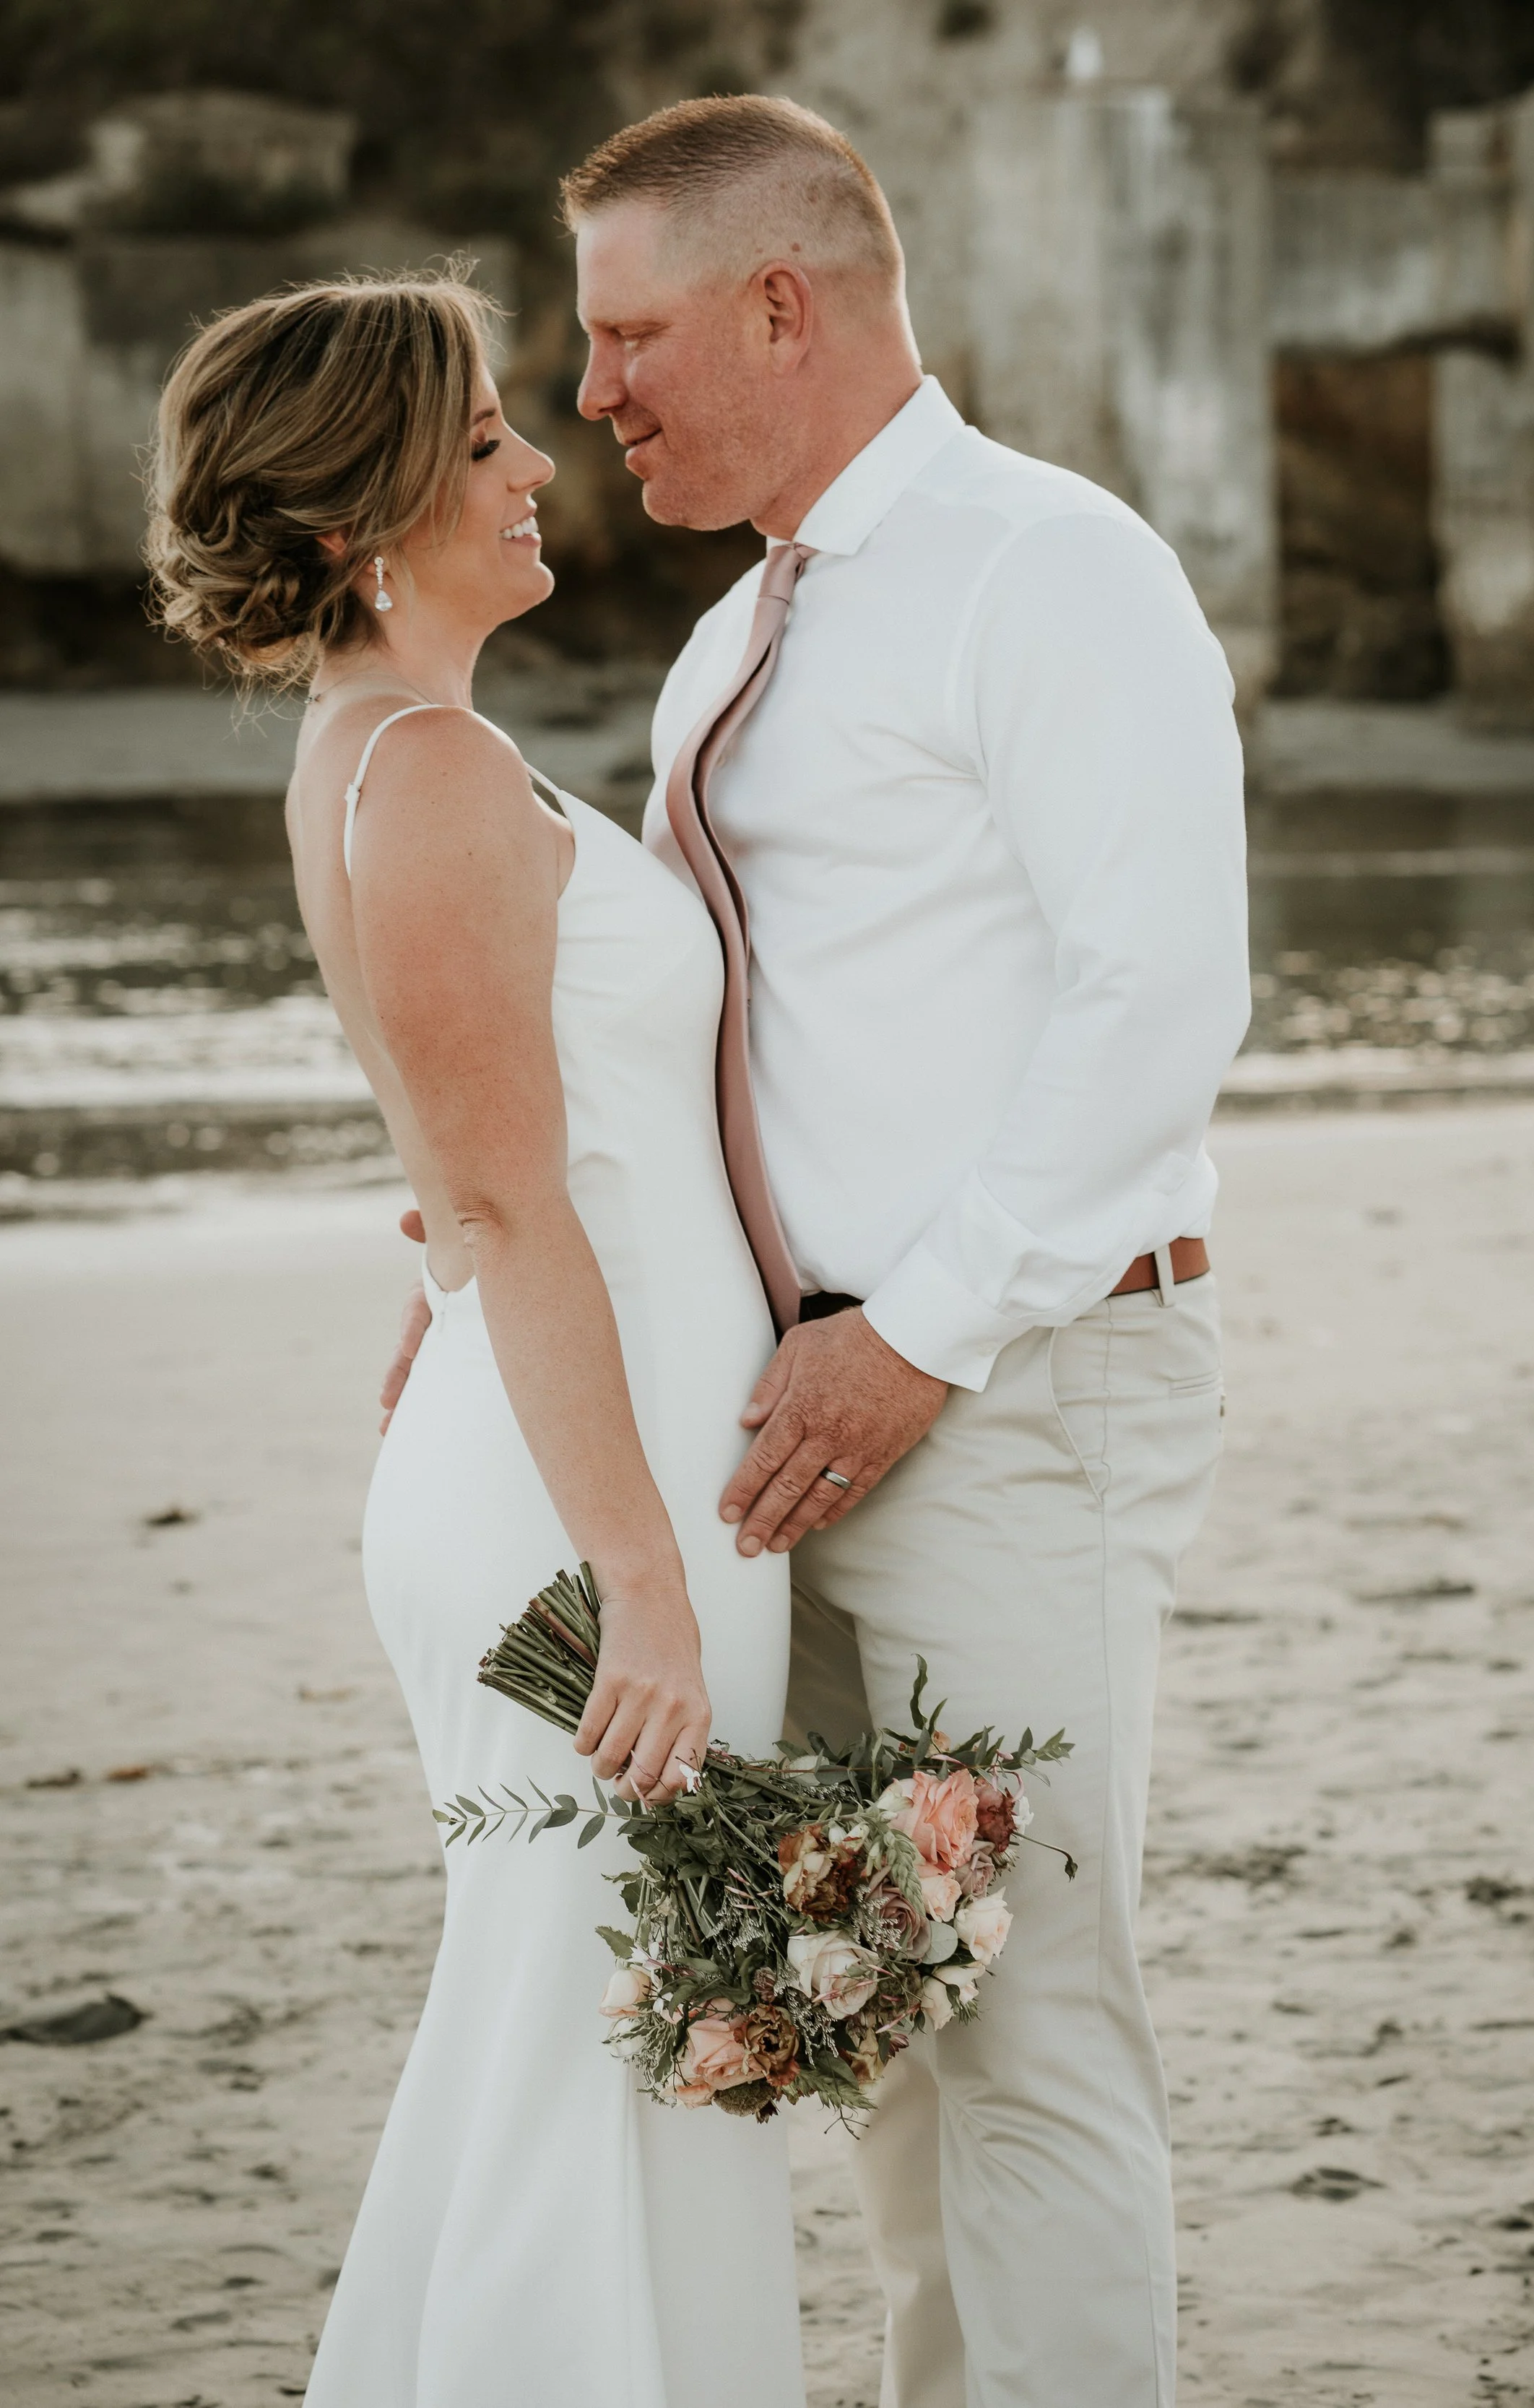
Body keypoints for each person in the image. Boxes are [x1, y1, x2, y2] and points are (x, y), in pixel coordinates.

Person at [386, 94, 1251, 2408]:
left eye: (631, 334)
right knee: (878, 1991)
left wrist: (919, 1338)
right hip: (786, 1424)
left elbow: (1159, 998)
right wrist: (468, 1233)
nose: (592, 393)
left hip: (1009, 1387)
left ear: (780, 305)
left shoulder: (1044, 567)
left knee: (1034, 2013)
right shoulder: (730, 643)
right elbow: (709, 1042)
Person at [147, 274, 807, 2407]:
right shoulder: (426, 769)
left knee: (589, 2021)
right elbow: (512, 1201)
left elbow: (470, 1161)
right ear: (360, 516)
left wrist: (439, 1274)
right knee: (593, 2030)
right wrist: (640, 1579)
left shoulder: (394, 748)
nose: (538, 463)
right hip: (579, 1495)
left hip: (552, 1435)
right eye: (486, 441)